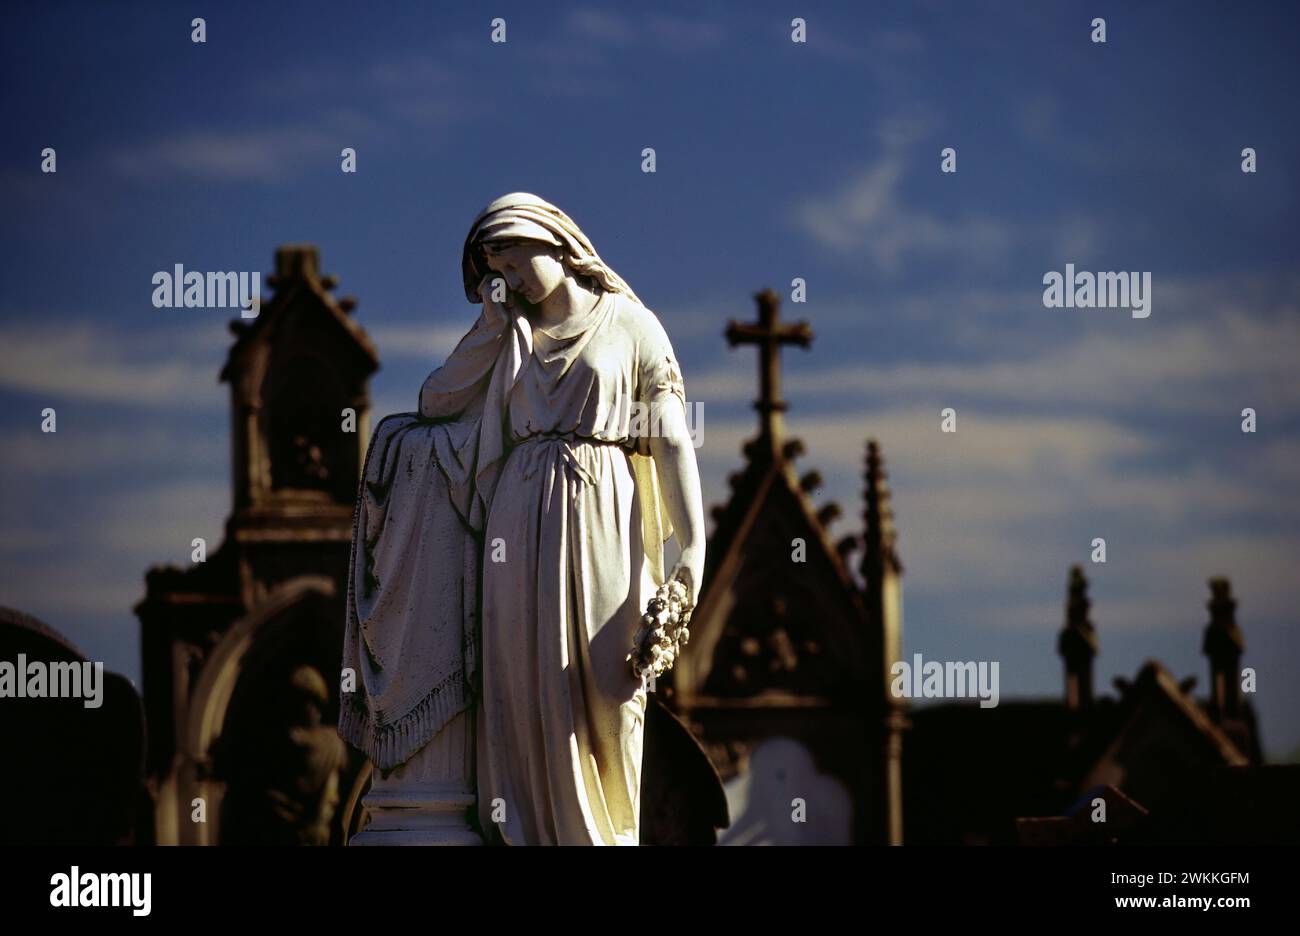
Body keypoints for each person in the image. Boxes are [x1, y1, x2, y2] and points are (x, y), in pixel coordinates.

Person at [417, 192, 706, 845]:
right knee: (521, 692)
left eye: (514, 264)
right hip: (517, 522)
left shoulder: (631, 325)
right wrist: (491, 324)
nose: (509, 282)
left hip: (603, 512)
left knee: (610, 689)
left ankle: (607, 837)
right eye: (496, 272)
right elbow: (436, 401)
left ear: (554, 243)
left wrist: (694, 547)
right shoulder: (507, 334)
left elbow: (670, 440)